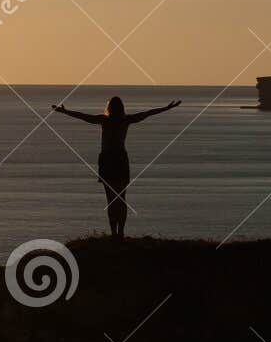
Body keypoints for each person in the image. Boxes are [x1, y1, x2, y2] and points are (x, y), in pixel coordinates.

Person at [51, 96, 182, 239]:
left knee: (111, 199)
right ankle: (120, 232)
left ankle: (114, 232)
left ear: (109, 108)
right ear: (122, 108)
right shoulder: (125, 120)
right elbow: (148, 113)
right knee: (121, 197)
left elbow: (84, 117)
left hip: (108, 159)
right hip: (120, 159)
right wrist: (166, 108)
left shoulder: (105, 120)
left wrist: (66, 112)